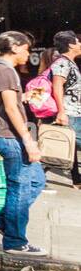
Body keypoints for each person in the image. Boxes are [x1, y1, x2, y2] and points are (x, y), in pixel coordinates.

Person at [0, 31, 47, 256]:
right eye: (27, 49)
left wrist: (24, 98)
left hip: (8, 134)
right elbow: (10, 109)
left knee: (37, 181)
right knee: (19, 187)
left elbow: (8, 103)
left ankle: (4, 219)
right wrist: (28, 140)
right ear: (16, 47)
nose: (28, 53)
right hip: (10, 136)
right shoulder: (4, 70)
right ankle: (15, 240)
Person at [43, 31, 81, 188]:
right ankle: (36, 170)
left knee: (67, 145)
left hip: (74, 111)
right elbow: (57, 87)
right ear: (71, 45)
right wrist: (61, 111)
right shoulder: (62, 63)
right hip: (69, 112)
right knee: (66, 143)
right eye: (78, 42)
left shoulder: (70, 63)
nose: (80, 44)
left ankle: (76, 180)